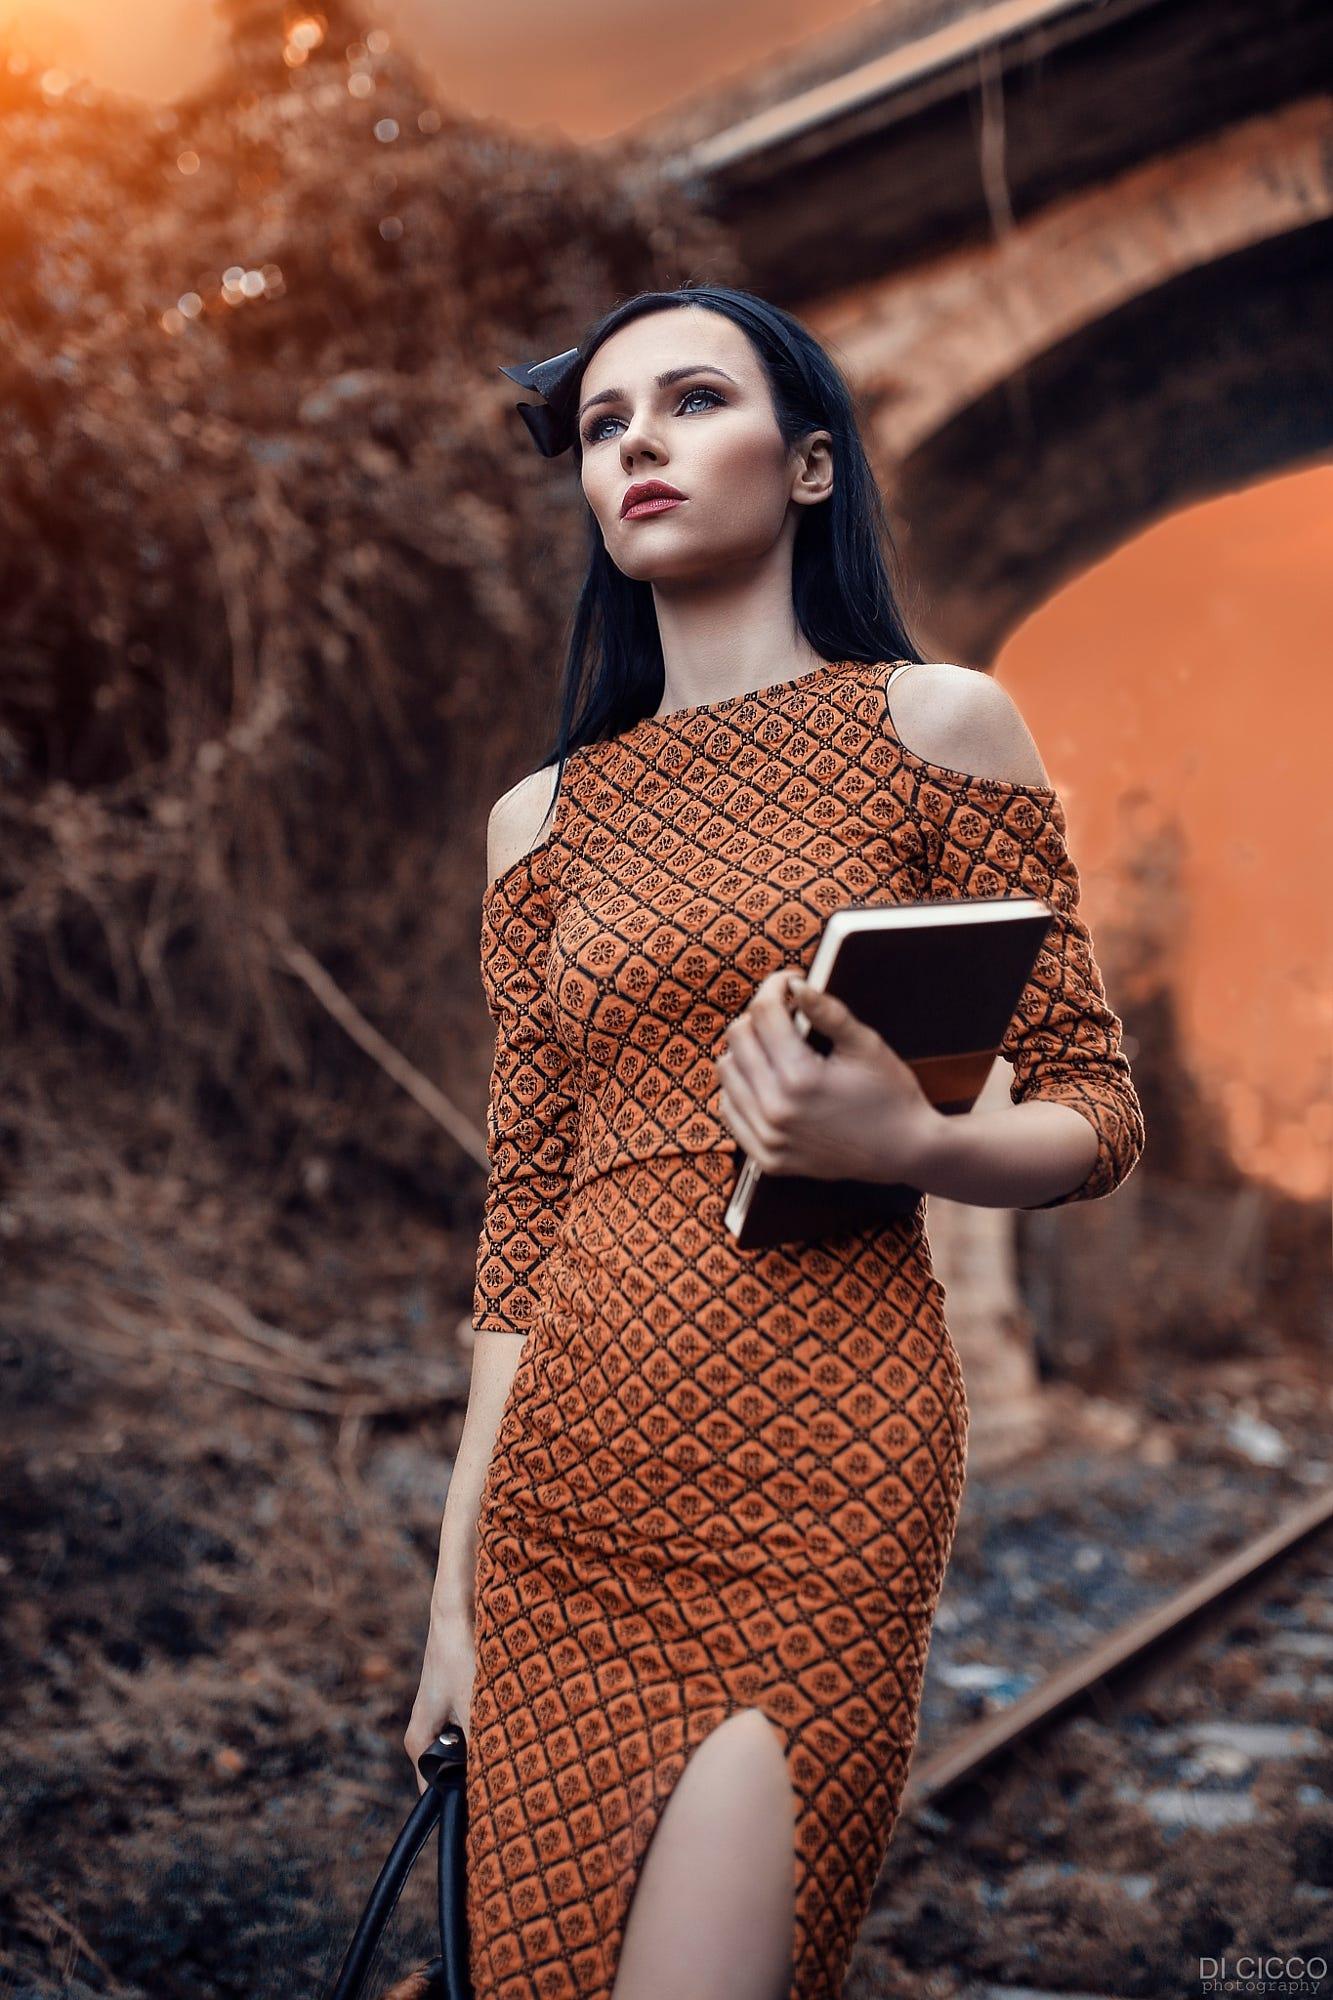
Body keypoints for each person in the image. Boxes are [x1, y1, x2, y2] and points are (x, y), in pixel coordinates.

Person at [405, 284, 1146, 2000]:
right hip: (563, 1496)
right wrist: (453, 1599)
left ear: (808, 463)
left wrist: (907, 1138)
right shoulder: (537, 823)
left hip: (819, 1472)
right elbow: (524, 1226)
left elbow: (1093, 1107)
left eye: (691, 401)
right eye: (605, 423)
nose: (638, 444)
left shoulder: (934, 725)